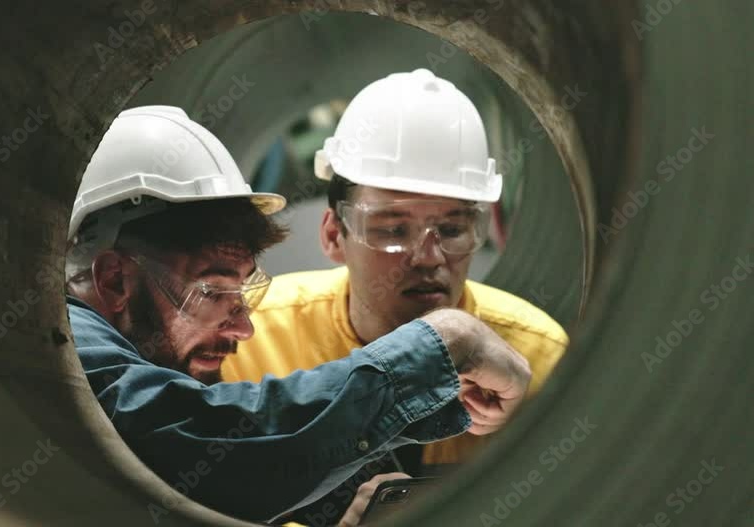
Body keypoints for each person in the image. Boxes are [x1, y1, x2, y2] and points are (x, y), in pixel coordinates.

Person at [65, 105, 532, 523]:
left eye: (451, 227)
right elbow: (209, 445)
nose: (246, 329)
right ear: (113, 280)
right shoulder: (68, 347)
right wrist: (444, 343)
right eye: (213, 291)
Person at [220, 69, 570, 525]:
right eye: (391, 229)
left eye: (451, 229)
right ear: (333, 235)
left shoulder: (537, 355)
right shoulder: (253, 339)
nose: (428, 257)